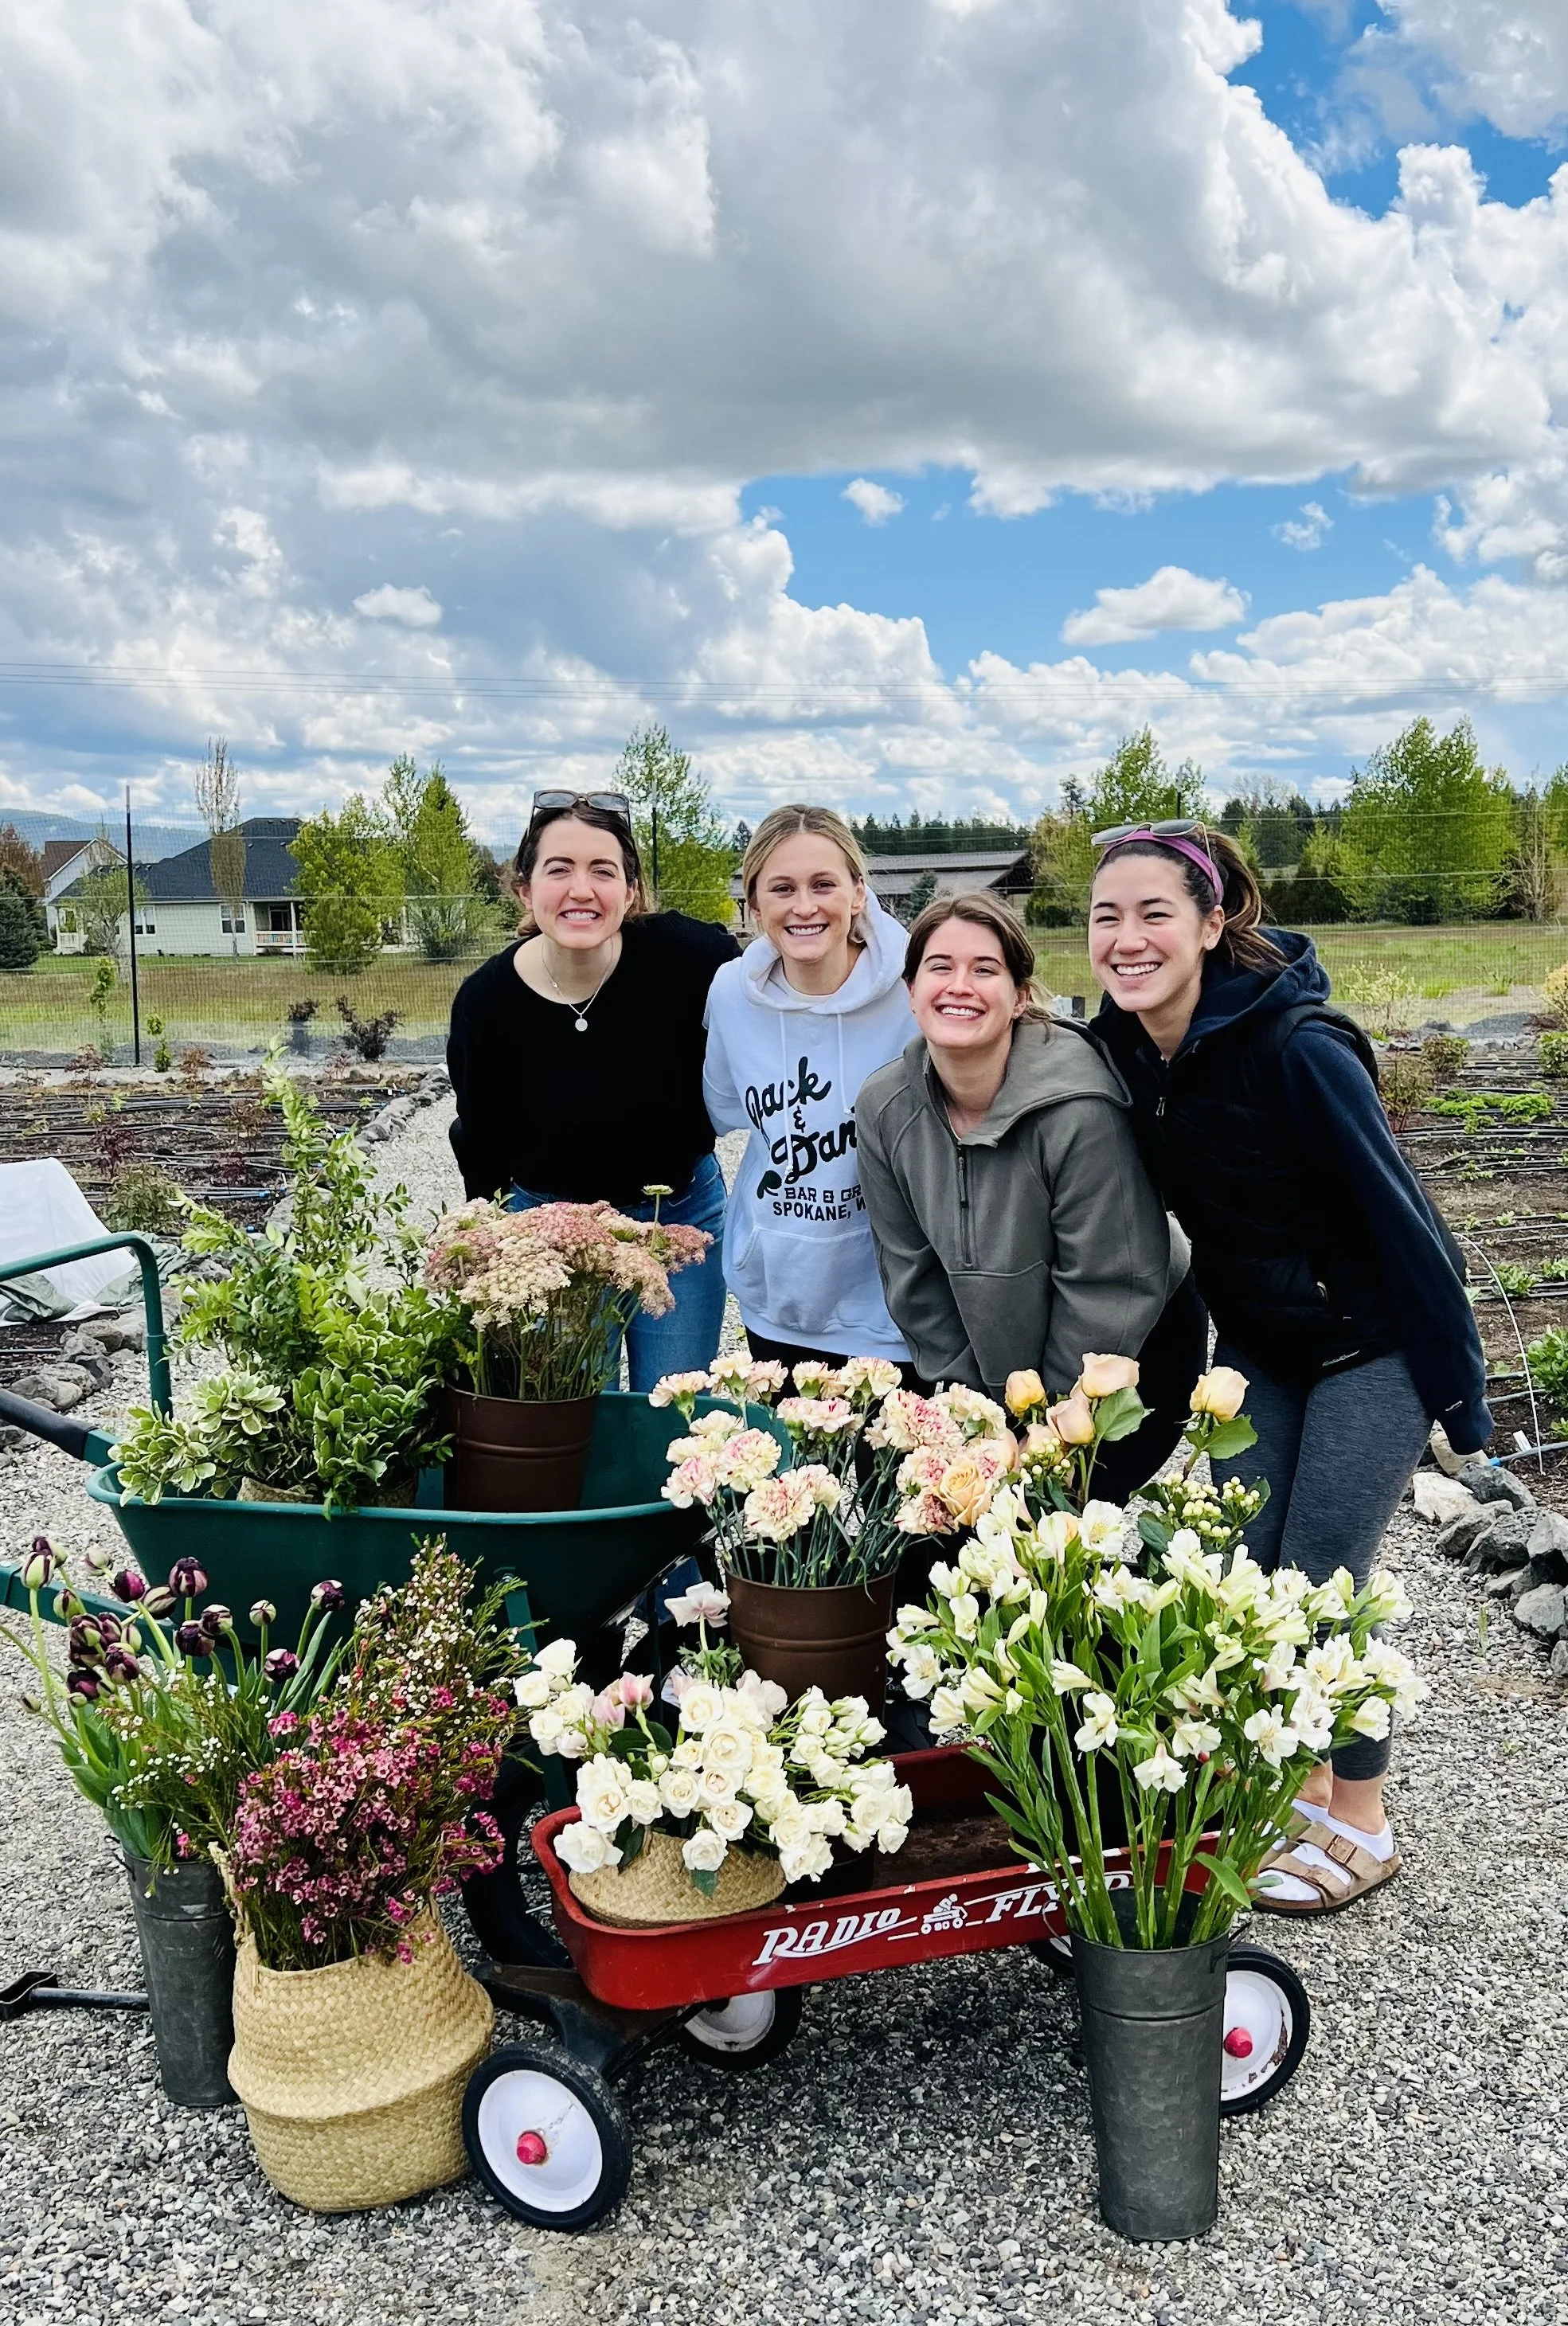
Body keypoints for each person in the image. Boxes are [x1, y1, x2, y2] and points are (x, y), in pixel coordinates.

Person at [1086, 818, 1492, 1914]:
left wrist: (1461, 1396)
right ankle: (1295, 1785)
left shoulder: (1300, 1046)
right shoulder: (1123, 1046)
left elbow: (1406, 1224)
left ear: (1213, 923)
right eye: (1105, 917)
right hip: (1261, 1344)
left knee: (1322, 1584)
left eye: (1154, 913)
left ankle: (1362, 1818)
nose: (1126, 939)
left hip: (1373, 1346)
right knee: (1243, 1577)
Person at [855, 892, 1202, 1498]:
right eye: (939, 967)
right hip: (993, 1368)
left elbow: (1106, 1286)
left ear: (1018, 996)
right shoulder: (885, 1108)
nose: (959, 985)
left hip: (1130, 1353)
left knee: (1057, 1541)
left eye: (984, 969)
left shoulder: (1080, 1109)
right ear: (910, 991)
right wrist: (972, 1419)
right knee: (951, 1536)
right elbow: (912, 1279)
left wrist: (1042, 1434)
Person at [446, 790, 738, 1390]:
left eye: (602, 870)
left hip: (676, 1219)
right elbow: (479, 1139)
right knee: (578, 1422)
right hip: (553, 1238)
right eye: (559, 869)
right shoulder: (487, 1002)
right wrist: (501, 1251)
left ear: (630, 891)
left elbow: (784, 976)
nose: (581, 889)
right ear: (525, 889)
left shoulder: (690, 959)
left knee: (673, 1417)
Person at [702, 805, 916, 1376]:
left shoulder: (914, 988)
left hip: (889, 1307)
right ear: (754, 907)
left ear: (857, 895)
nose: (803, 905)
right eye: (781, 888)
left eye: (823, 883)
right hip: (778, 1299)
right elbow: (726, 1108)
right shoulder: (730, 993)